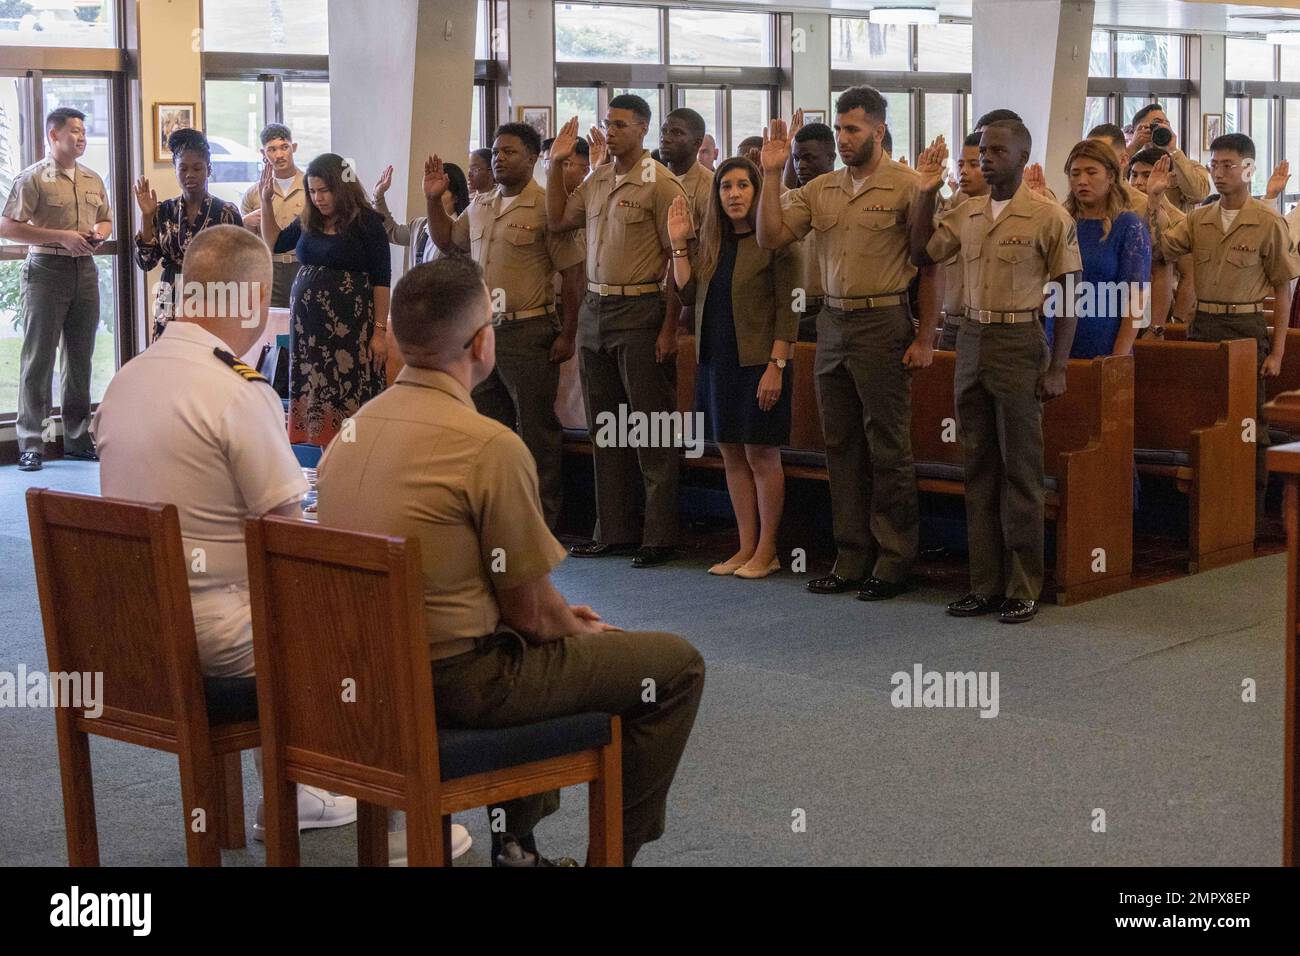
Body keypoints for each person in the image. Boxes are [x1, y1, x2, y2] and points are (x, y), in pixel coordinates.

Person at [315, 256, 705, 866]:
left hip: (364, 678)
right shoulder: (490, 446)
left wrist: (555, 622)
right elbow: (534, 619)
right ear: (482, 343)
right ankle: (614, 857)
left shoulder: (350, 434)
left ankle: (517, 846)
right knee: (675, 666)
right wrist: (577, 626)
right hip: (455, 684)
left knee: (542, 650)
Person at [92, 226, 360, 846]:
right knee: (383, 619)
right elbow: (288, 537)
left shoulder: (126, 379)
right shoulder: (237, 390)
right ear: (253, 296)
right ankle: (378, 811)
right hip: (219, 635)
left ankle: (298, 785)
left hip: (131, 627)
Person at [756, 85, 939, 602]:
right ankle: (851, 556)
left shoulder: (909, 185)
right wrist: (772, 174)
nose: (842, 139)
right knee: (839, 446)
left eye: (852, 129)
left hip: (883, 321)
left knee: (887, 446)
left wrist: (926, 335)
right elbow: (770, 236)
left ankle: (895, 559)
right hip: (832, 322)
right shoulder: (823, 189)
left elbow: (930, 265)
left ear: (878, 130)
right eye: (838, 129)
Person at [909, 121, 1083, 624]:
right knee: (978, 468)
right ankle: (983, 584)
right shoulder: (966, 213)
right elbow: (922, 254)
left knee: (1021, 472)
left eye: (997, 151)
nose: (986, 158)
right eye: (982, 150)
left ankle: (1023, 584)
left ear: (1022, 154)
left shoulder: (1048, 216)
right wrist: (924, 194)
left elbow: (1070, 294)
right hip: (972, 339)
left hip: (1020, 339)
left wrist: (1059, 366)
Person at [545, 95, 692, 568]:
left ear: (643, 129)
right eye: (608, 123)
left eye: (622, 125)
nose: (612, 131)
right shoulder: (598, 178)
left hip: (642, 309)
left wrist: (670, 328)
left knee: (652, 428)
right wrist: (554, 167)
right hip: (595, 308)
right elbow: (558, 221)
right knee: (605, 427)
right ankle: (615, 530)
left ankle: (659, 535)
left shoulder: (661, 184)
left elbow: (677, 263)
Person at [424, 122, 585, 530]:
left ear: (532, 159)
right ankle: (498, 518)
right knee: (488, 429)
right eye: (495, 151)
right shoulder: (480, 203)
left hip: (528, 332)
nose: (499, 158)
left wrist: (568, 334)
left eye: (509, 152)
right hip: (483, 333)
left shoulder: (545, 207)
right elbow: (447, 241)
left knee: (535, 432)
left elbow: (573, 277)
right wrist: (432, 201)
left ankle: (542, 523)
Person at [1148, 133, 1300, 527]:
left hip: (1246, 323)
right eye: (1214, 165)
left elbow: (1283, 290)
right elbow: (1160, 250)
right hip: (1205, 323)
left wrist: (1278, 350)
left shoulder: (1267, 221)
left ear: (1249, 169)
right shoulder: (1200, 219)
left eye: (1228, 165)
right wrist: (1154, 200)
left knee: (1250, 424)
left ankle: (1250, 509)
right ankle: (1208, 511)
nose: (1218, 173)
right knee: (1205, 418)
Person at [670, 158, 798, 578]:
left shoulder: (776, 241)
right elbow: (688, 293)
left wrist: (777, 365)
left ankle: (768, 550)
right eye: (726, 186)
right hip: (717, 359)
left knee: (762, 455)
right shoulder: (715, 242)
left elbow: (789, 309)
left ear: (757, 192)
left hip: (761, 363)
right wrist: (678, 245)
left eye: (743, 185)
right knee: (730, 455)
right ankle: (745, 547)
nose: (734, 194)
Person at [0, 106, 112, 472]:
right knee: (38, 359)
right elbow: (8, 226)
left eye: (84, 132)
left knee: (80, 359)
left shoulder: (93, 179)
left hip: (85, 271)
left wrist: (100, 234)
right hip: (46, 271)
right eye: (74, 131)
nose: (81, 138)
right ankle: (31, 442)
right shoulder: (33, 178)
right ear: (53, 135)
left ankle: (78, 439)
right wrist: (60, 237)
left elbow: (106, 219)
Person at [259, 153, 391, 447]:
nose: (317, 198)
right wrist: (266, 202)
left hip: (350, 334)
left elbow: (382, 280)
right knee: (314, 399)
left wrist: (379, 331)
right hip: (309, 339)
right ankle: (318, 462)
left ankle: (349, 462)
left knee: (348, 397)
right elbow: (276, 243)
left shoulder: (367, 222)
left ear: (340, 187)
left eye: (324, 190)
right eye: (312, 191)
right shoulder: (310, 219)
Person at [134, 128, 243, 343]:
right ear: (174, 170)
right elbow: (146, 262)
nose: (189, 175)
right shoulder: (163, 210)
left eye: (197, 168)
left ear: (209, 169)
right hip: (170, 295)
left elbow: (240, 266)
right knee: (169, 363)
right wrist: (147, 216)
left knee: (208, 363)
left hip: (212, 295)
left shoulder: (226, 212)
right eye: (182, 168)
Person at [1056, 139, 1150, 358]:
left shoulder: (1128, 225)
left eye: (1091, 172)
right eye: (1075, 173)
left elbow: (1136, 301)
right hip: (1057, 336)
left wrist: (1118, 356)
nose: (1082, 181)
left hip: (1104, 338)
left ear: (1110, 176)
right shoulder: (1061, 221)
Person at [659, 108, 714, 355]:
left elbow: (705, 258)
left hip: (686, 301)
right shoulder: (654, 178)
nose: (666, 137)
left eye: (676, 132)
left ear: (697, 143)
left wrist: (681, 319)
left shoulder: (709, 187)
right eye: (664, 131)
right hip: (649, 300)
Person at [780, 113, 837, 342]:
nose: (800, 165)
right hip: (796, 301)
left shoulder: (842, 197)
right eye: (796, 158)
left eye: (809, 158)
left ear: (831, 157)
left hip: (828, 305)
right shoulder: (792, 199)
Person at [1128, 146, 1196, 326]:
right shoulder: (1124, 212)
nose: (1138, 182)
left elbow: (1189, 276)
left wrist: (1176, 323)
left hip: (1160, 311)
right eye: (1134, 175)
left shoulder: (1179, 220)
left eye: (1147, 174)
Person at [239, 123, 305, 307]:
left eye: (285, 147)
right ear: (263, 153)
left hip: (303, 265)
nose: (279, 155)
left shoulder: (311, 188)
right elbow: (245, 244)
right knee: (271, 328)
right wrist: (245, 222)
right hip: (268, 269)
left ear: (294, 148)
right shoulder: (253, 193)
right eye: (272, 149)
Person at [935, 132, 989, 350]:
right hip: (953, 325)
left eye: (974, 164)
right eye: (960, 164)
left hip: (989, 328)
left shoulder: (1007, 211)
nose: (964, 171)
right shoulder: (950, 209)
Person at [372, 160, 471, 271]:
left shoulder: (463, 232)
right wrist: (378, 195)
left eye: (441, 191)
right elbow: (392, 231)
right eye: (432, 188)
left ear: (456, 197)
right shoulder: (419, 226)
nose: (434, 194)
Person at [1127, 103, 1211, 213]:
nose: (1163, 127)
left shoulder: (1187, 166)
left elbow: (1198, 195)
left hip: (1173, 228)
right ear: (1139, 129)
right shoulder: (1129, 164)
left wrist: (1173, 150)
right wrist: (1133, 147)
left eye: (1167, 124)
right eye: (1157, 123)